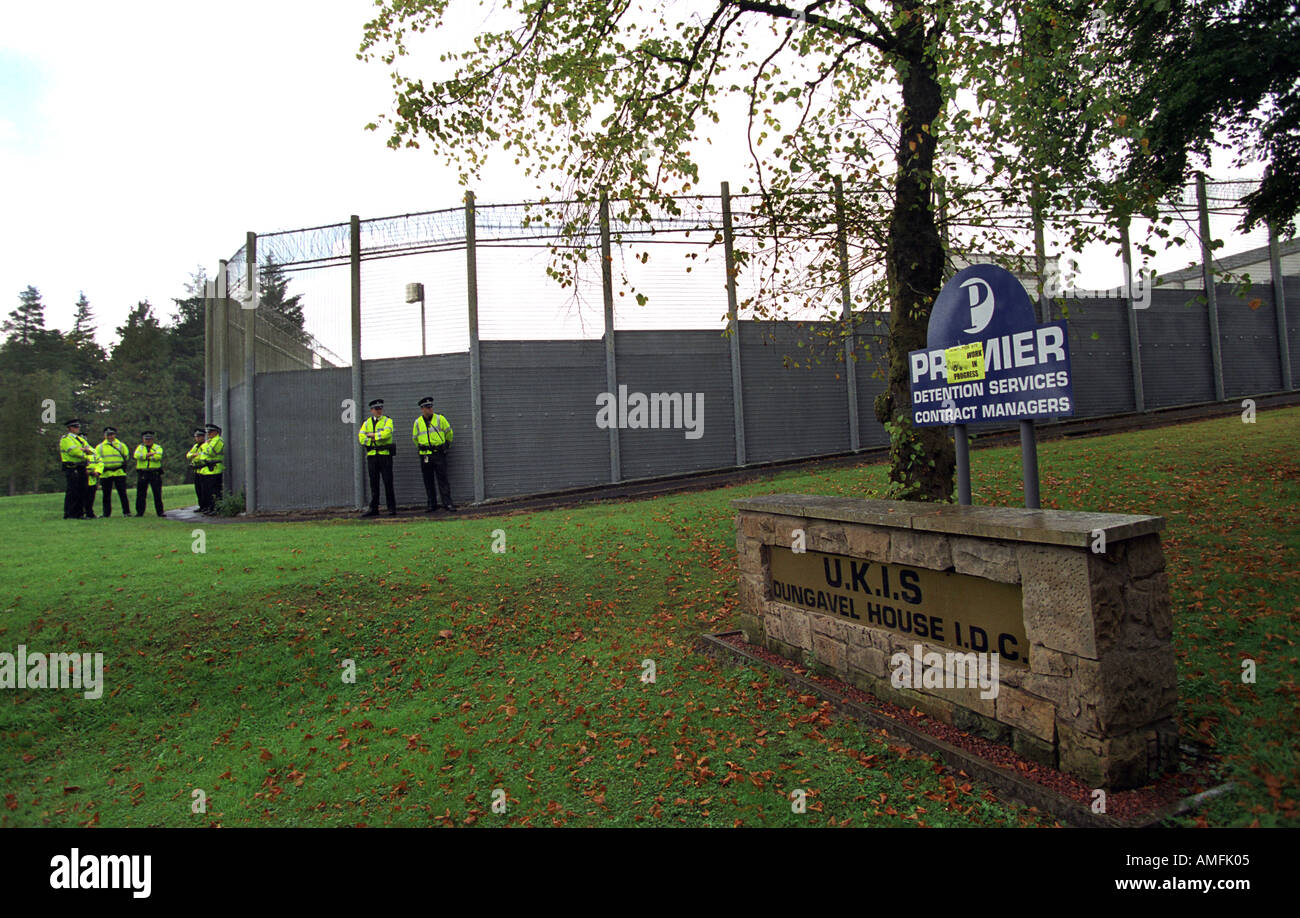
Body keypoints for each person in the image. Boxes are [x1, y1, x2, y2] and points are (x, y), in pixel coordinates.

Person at [412, 396, 455, 513]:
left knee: (443, 479)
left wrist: (446, 445)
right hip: (425, 454)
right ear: (422, 409)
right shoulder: (417, 422)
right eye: (427, 407)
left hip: (438, 453)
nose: (430, 409)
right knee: (428, 480)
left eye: (431, 407)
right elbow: (415, 438)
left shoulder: (440, 419)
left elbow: (449, 433)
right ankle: (432, 504)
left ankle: (448, 503)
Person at [358, 398, 397, 517]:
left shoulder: (387, 421)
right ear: (372, 410)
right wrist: (372, 440)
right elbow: (361, 437)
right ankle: (374, 508)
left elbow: (387, 434)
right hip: (372, 456)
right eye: (376, 409)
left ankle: (391, 507)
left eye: (380, 408)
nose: (379, 411)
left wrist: (373, 436)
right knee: (373, 483)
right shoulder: (366, 423)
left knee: (388, 481)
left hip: (384, 455)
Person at [94, 427, 132, 517]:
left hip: (119, 472)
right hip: (106, 473)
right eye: (108, 435)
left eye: (112, 434)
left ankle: (127, 512)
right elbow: (97, 459)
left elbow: (126, 456)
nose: (110, 436)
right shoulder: (100, 447)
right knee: (106, 495)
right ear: (104, 436)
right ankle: (106, 513)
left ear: (115, 435)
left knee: (122, 493)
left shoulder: (121, 445)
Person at [59, 419, 91, 519]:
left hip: (81, 466)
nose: (78, 429)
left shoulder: (80, 439)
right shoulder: (66, 439)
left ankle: (80, 513)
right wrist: (84, 453)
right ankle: (70, 513)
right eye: (75, 427)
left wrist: (84, 451)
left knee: (82, 490)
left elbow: (89, 448)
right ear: (70, 428)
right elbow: (73, 451)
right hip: (72, 467)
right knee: (73, 491)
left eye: (78, 427)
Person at [134, 430, 165, 517]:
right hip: (143, 473)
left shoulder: (157, 447)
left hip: (154, 473)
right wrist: (149, 455)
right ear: (143, 439)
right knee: (141, 494)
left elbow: (158, 457)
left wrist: (144, 456)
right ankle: (140, 512)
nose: (148, 441)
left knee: (157, 493)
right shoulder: (139, 447)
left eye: (150, 439)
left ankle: (160, 512)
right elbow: (136, 456)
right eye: (146, 439)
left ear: (153, 439)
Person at [196, 424, 225, 514]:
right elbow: (203, 451)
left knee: (215, 491)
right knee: (208, 491)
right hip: (208, 469)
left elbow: (210, 452)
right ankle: (210, 508)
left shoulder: (217, 440)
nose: (208, 434)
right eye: (208, 432)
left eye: (210, 432)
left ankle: (216, 509)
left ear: (216, 432)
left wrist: (206, 447)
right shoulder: (210, 441)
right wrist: (206, 447)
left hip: (215, 469)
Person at [185, 427, 206, 508]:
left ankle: (205, 506)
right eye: (196, 437)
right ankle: (201, 506)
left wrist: (194, 456)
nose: (197, 438)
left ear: (203, 437)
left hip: (203, 469)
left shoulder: (205, 445)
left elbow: (202, 456)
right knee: (198, 489)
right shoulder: (196, 446)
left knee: (203, 489)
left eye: (199, 436)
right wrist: (194, 455)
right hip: (196, 470)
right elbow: (188, 455)